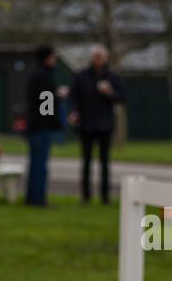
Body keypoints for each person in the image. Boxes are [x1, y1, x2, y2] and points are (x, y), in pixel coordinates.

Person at [68, 45, 125, 204]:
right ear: (92, 59)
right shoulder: (81, 76)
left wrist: (110, 93)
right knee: (86, 161)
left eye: (100, 57)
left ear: (105, 59)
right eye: (95, 57)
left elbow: (122, 97)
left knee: (105, 163)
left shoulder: (112, 77)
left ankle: (105, 197)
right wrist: (74, 112)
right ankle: (85, 196)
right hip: (86, 124)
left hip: (105, 125)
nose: (98, 60)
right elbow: (73, 97)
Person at [24, 45, 63, 206]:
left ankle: (32, 197)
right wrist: (56, 97)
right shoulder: (43, 76)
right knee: (40, 165)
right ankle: (38, 199)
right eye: (53, 57)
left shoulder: (35, 75)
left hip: (35, 126)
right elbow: (45, 104)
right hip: (41, 128)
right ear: (47, 58)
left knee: (35, 163)